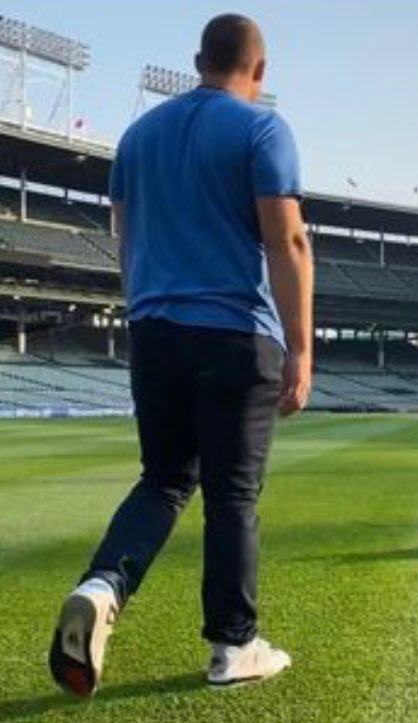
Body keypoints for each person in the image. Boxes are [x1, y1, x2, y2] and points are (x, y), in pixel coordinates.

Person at [48, 13, 313, 697]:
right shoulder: (263, 130)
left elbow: (126, 236)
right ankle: (234, 645)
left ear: (198, 62)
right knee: (232, 496)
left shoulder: (137, 136)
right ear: (259, 71)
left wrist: (145, 316)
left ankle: (102, 585)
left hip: (155, 330)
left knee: (163, 480)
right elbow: (286, 242)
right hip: (235, 333)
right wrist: (301, 348)